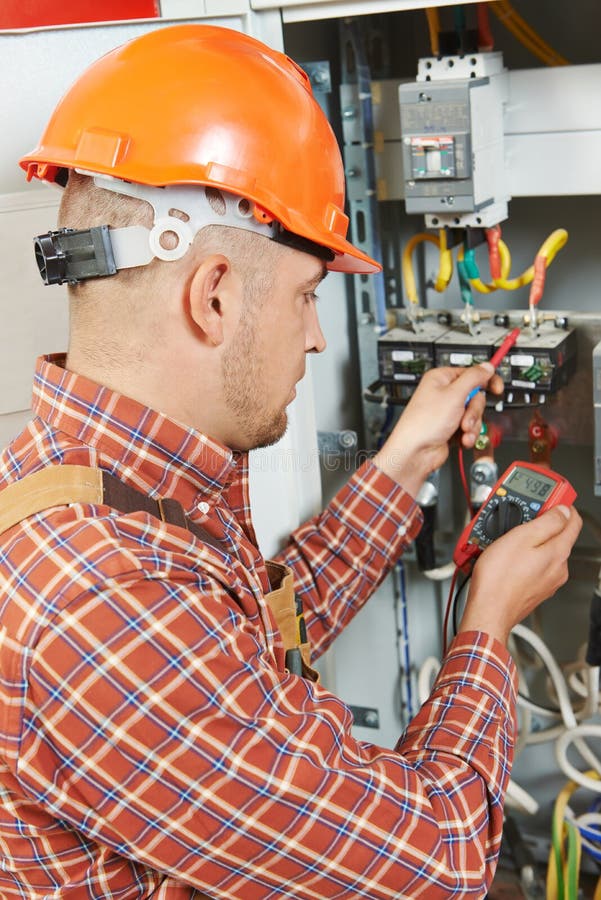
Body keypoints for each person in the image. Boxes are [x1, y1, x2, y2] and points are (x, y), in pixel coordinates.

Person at [0, 24, 580, 899]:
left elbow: (249, 644)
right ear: (216, 295)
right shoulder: (103, 600)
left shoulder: (88, 480)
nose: (316, 336)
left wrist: (402, 461)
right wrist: (487, 625)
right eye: (308, 297)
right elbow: (440, 861)